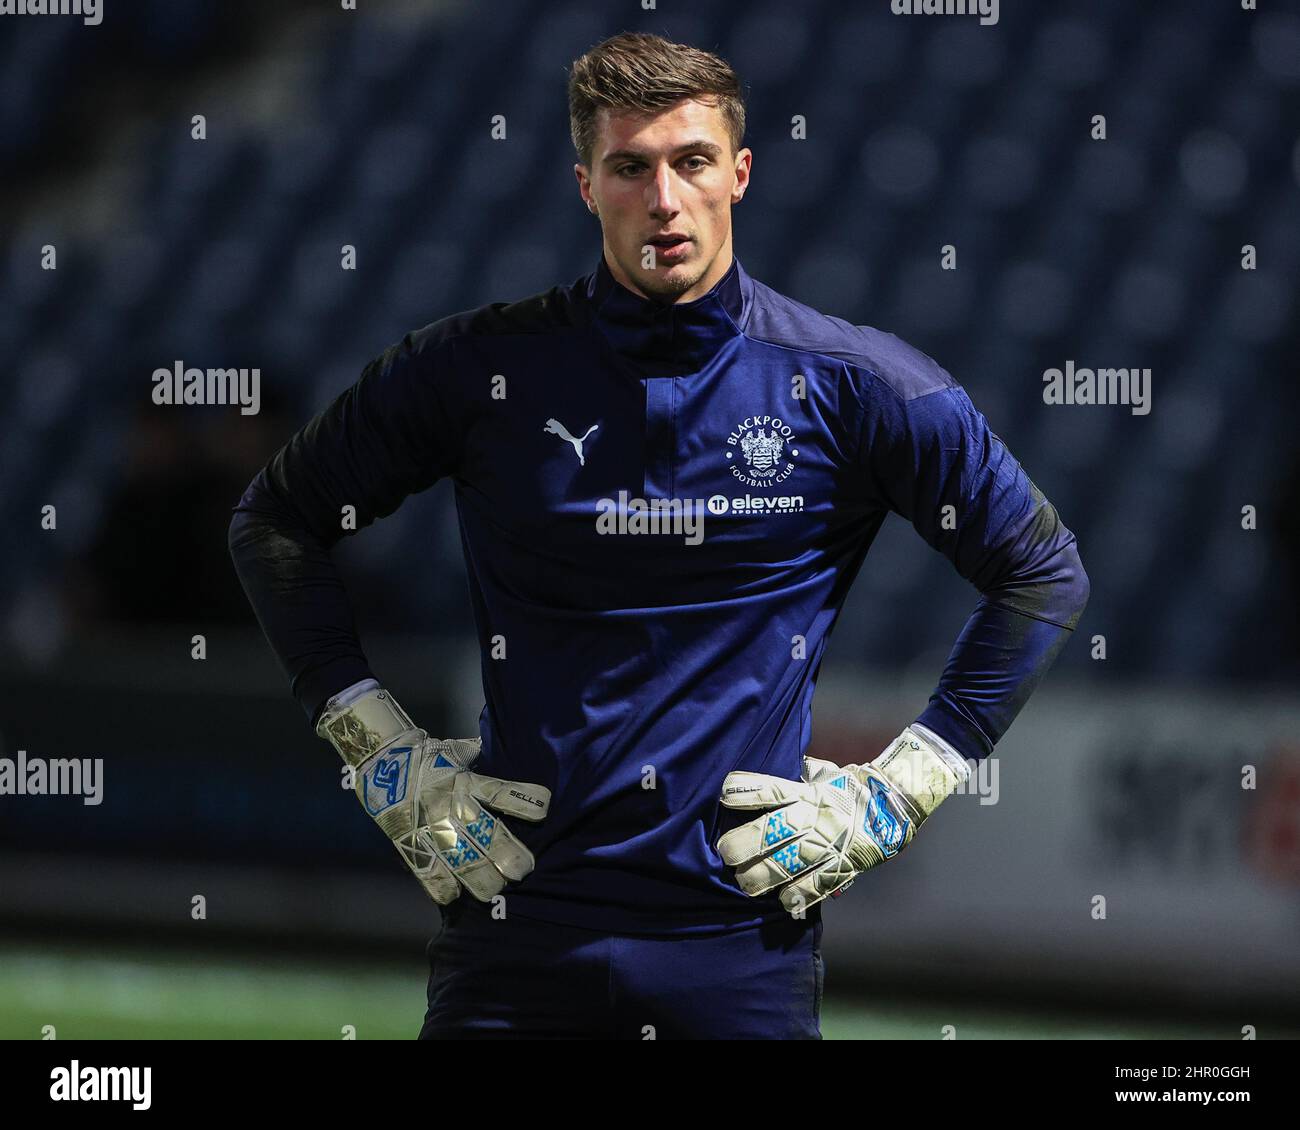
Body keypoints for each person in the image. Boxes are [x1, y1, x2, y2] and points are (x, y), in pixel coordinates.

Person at [229, 30, 1089, 1040]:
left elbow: (1040, 571)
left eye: (689, 162)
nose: (664, 199)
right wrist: (376, 747)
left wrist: (898, 790)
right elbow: (274, 520)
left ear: (740, 171)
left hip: (739, 949)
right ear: (585, 183)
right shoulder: (477, 371)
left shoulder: (853, 385)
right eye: (630, 168)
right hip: (513, 933)